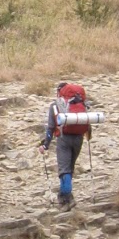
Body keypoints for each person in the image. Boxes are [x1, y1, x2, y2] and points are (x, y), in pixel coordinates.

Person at [40, 80, 90, 211]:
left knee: (64, 170)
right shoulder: (80, 102)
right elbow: (87, 122)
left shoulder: (55, 105)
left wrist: (45, 145)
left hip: (63, 139)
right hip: (79, 138)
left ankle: (66, 197)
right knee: (70, 168)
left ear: (59, 92)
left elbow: (51, 128)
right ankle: (66, 197)